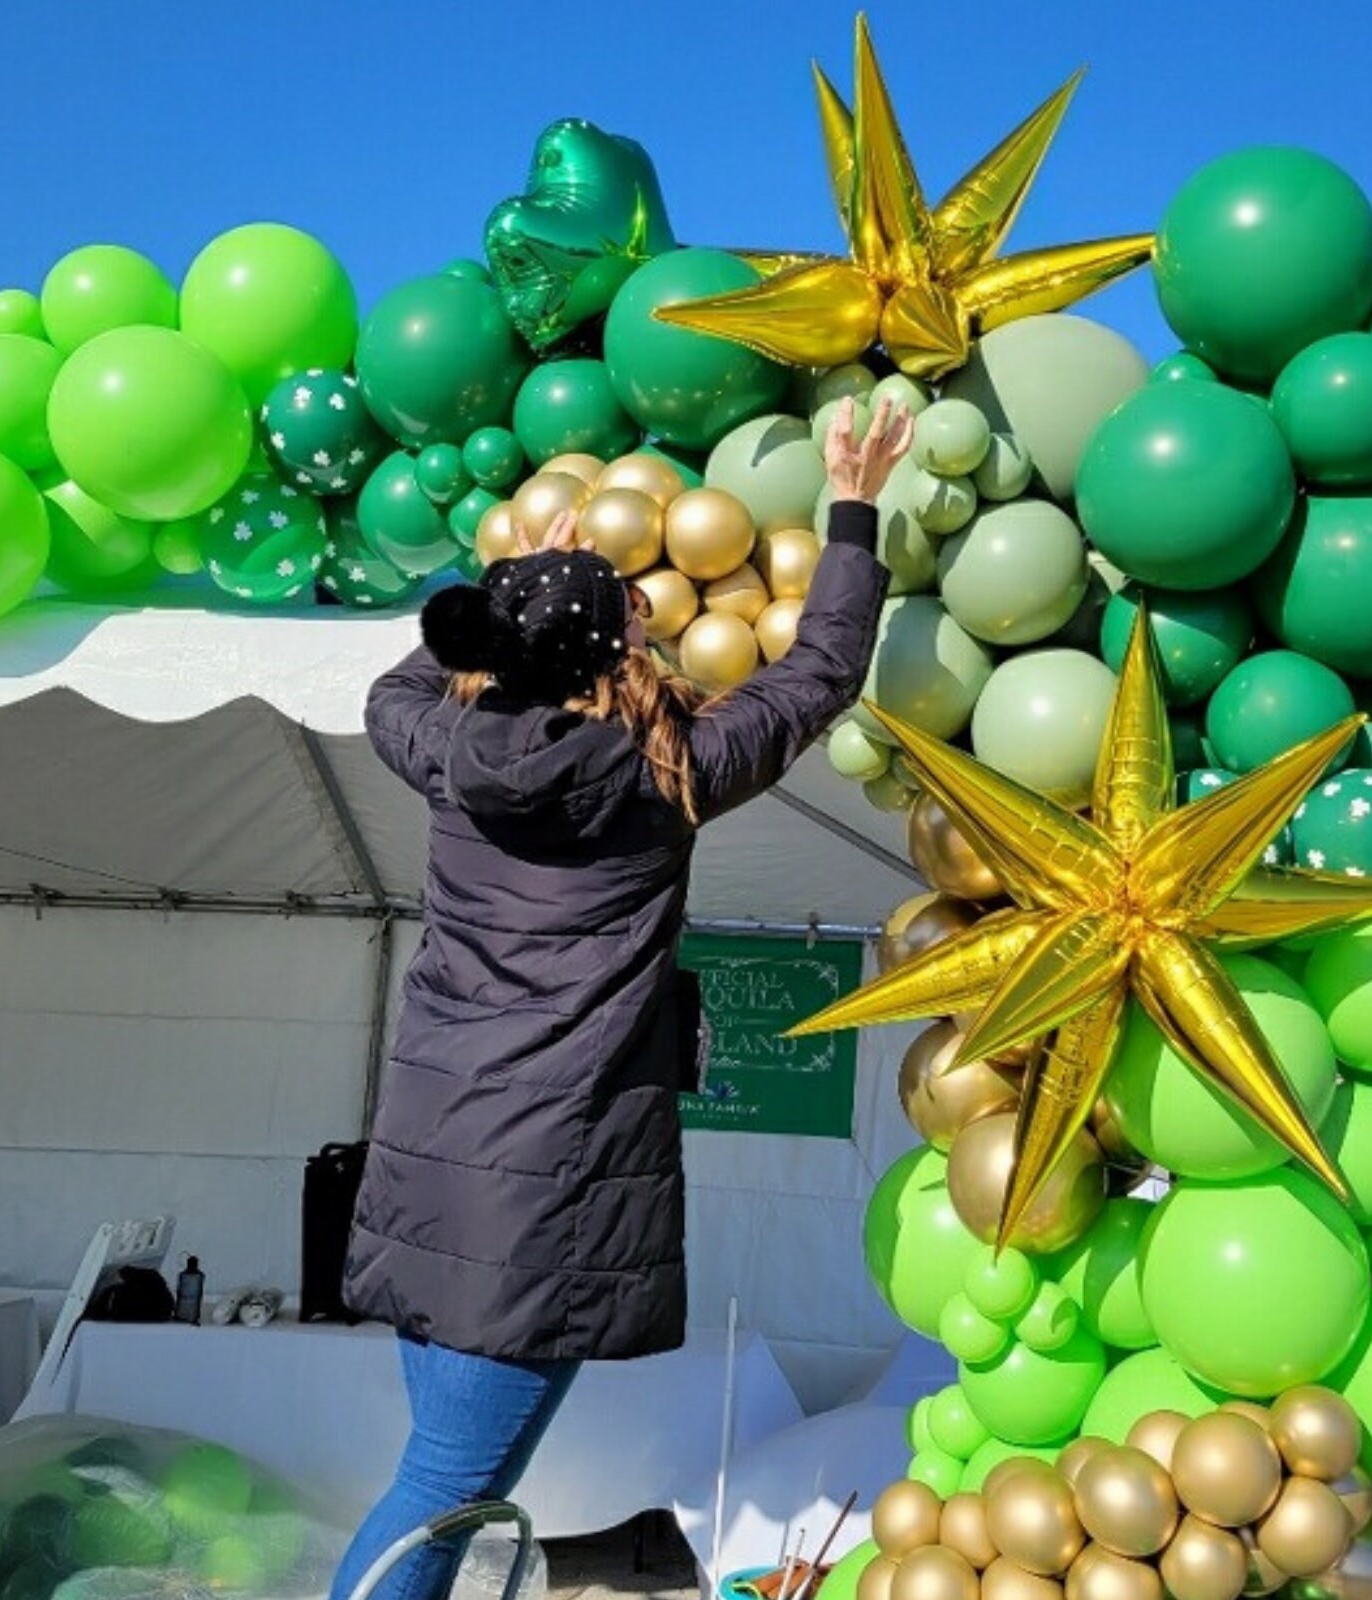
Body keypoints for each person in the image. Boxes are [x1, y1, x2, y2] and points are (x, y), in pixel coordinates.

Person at [330, 396, 913, 1600]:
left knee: (438, 1484)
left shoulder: (441, 755)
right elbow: (819, 672)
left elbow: (399, 689)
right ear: (623, 646)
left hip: (432, 1169)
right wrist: (850, 503)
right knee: (439, 1497)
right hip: (539, 1199)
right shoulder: (668, 777)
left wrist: (496, 568)